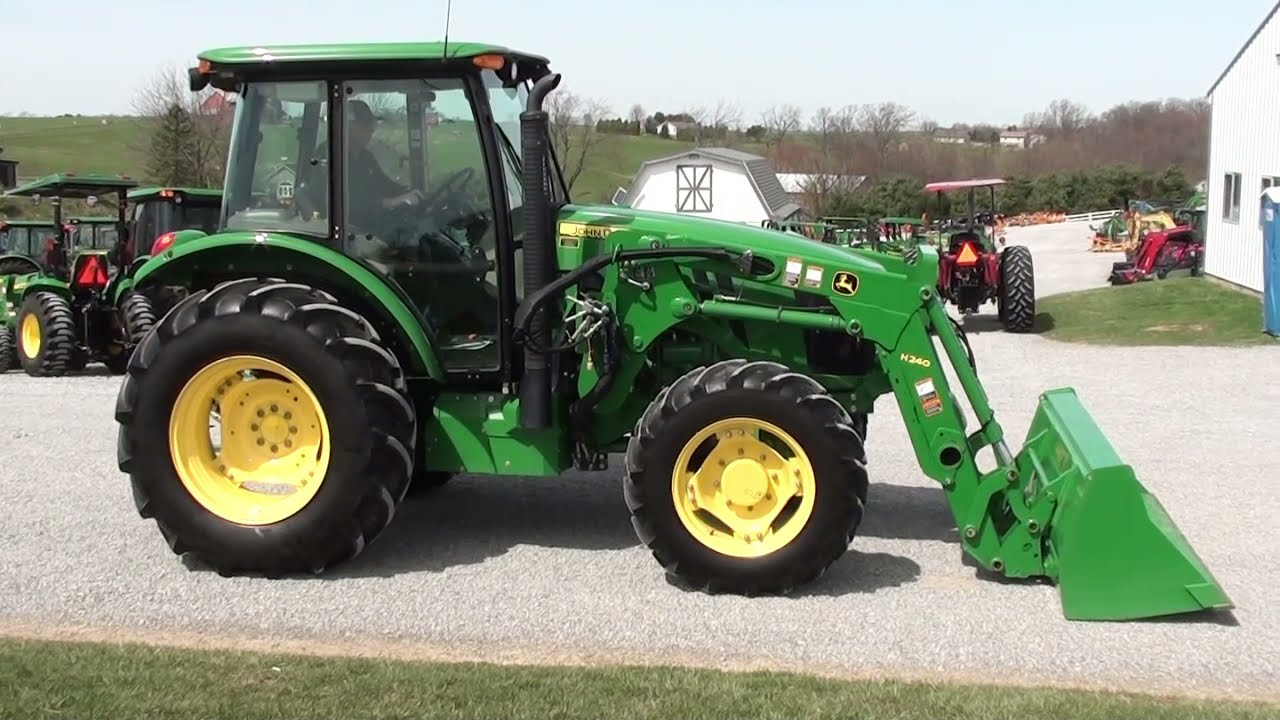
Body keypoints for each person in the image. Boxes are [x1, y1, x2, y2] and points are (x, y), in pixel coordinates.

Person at [344, 99, 423, 231]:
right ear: (349, 126)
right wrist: (397, 201)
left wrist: (409, 193)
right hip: (351, 231)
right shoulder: (331, 159)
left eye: (371, 124)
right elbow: (353, 203)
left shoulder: (365, 157)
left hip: (370, 224)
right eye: (366, 124)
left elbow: (385, 184)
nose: (371, 130)